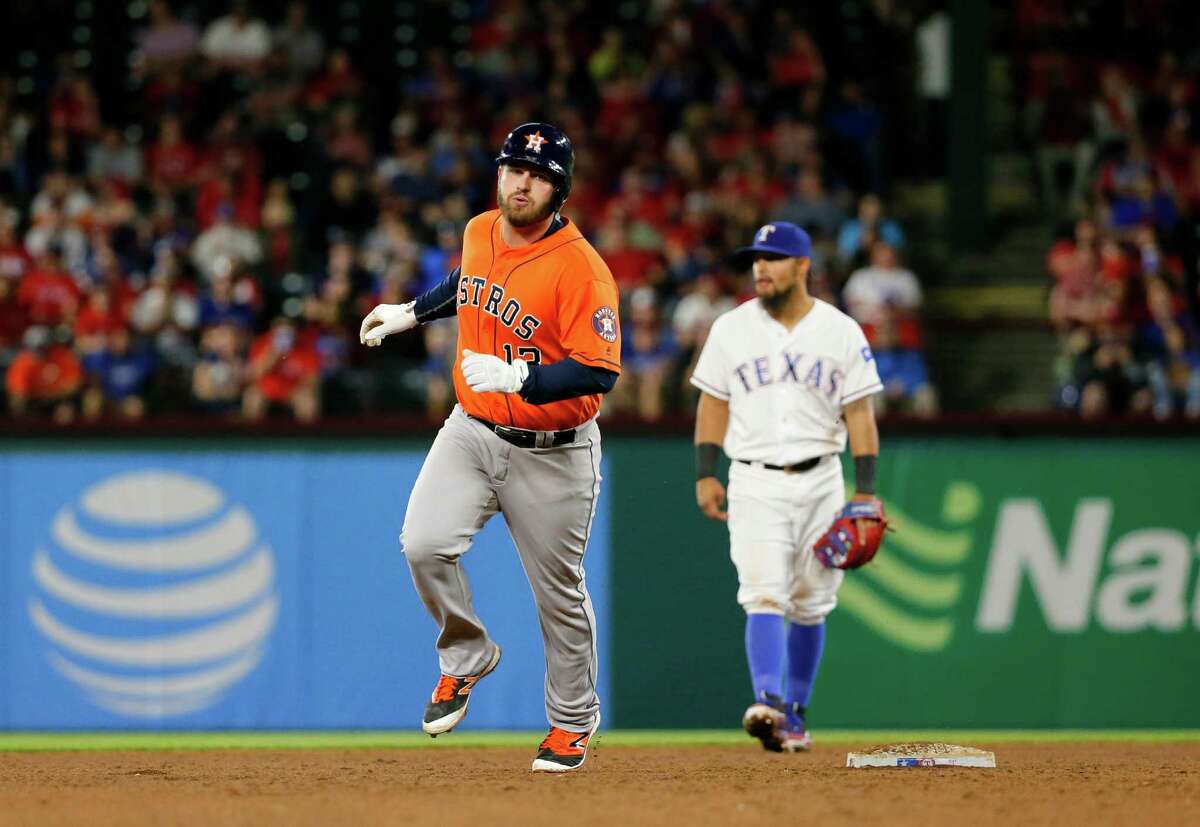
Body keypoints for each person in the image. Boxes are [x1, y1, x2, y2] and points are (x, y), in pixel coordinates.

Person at [359, 123, 621, 772]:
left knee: (557, 593)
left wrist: (523, 377)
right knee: (422, 542)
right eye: (513, 169)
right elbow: (467, 281)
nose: (521, 182)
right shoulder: (481, 229)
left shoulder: (581, 269)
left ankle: (571, 722)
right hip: (473, 429)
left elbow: (600, 369)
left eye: (537, 175)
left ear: (559, 191)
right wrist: (410, 313)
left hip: (554, 448)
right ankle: (467, 653)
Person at [690, 221, 883, 753]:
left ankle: (795, 715)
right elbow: (713, 402)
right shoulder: (731, 328)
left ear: (803, 266)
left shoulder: (840, 330)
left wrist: (864, 489)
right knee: (763, 591)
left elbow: (860, 414)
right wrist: (706, 471)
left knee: (812, 601)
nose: (761, 267)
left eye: (773, 258)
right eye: (757, 258)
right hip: (752, 477)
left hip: (822, 476)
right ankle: (770, 703)